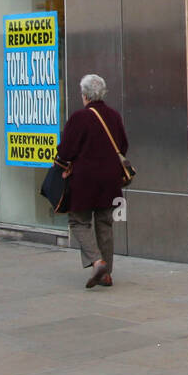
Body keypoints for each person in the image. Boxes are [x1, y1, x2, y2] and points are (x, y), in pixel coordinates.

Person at [55, 74, 129, 288]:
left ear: (84, 95)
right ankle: (107, 275)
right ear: (102, 93)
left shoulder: (79, 118)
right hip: (110, 179)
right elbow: (123, 146)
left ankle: (97, 261)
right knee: (105, 223)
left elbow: (66, 150)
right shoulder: (114, 116)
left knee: (78, 221)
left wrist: (63, 165)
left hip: (84, 180)